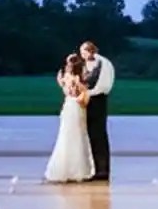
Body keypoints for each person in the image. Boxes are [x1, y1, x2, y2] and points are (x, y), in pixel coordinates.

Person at [44, 54, 95, 183]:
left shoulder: (64, 78)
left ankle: (63, 168)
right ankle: (78, 169)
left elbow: (62, 85)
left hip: (68, 106)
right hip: (76, 107)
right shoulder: (78, 79)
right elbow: (84, 91)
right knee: (77, 136)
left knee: (65, 136)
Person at [80, 41, 115, 182]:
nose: (82, 55)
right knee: (91, 136)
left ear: (90, 51)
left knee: (99, 134)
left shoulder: (103, 63)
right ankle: (95, 168)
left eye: (84, 52)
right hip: (88, 100)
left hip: (98, 100)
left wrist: (87, 92)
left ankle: (102, 170)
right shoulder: (86, 64)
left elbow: (103, 85)